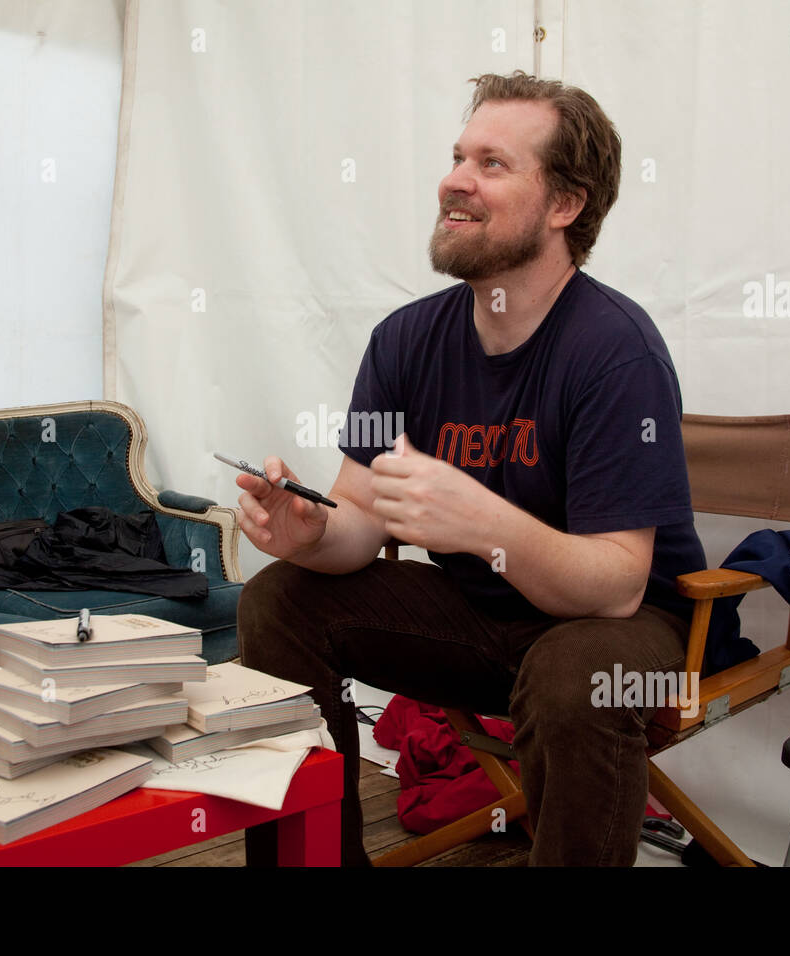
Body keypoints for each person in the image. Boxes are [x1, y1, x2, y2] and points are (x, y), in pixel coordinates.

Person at [232, 71, 706, 866]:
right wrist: (310, 530)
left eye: (492, 163)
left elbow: (619, 584)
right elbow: (358, 518)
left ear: (564, 205)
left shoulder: (615, 350)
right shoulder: (403, 341)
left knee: (573, 675)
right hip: (480, 619)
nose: (454, 180)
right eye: (458, 157)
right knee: (280, 600)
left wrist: (483, 522)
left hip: (621, 636)